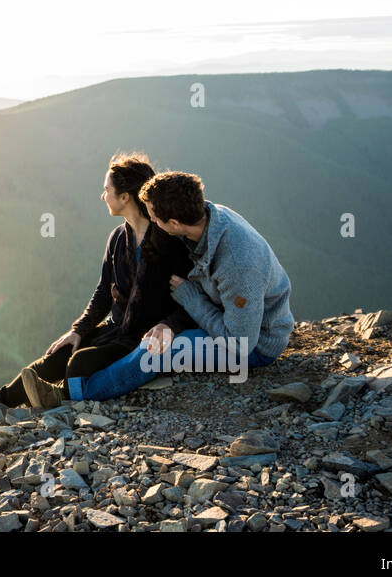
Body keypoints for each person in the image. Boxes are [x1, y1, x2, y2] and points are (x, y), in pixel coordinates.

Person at [0, 152, 197, 434]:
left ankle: (55, 396)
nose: (102, 196)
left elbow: (195, 296)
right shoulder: (117, 239)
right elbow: (103, 293)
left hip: (143, 338)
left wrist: (169, 324)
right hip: (116, 329)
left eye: (106, 190)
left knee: (79, 363)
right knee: (57, 356)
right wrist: (78, 330)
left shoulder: (169, 241)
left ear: (124, 197)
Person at [41, 169, 294, 403]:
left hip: (255, 343)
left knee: (163, 349)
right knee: (163, 336)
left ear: (173, 224)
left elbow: (240, 343)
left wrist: (192, 299)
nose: (149, 218)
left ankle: (74, 394)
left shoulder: (238, 264)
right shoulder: (209, 217)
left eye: (152, 216)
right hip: (232, 317)